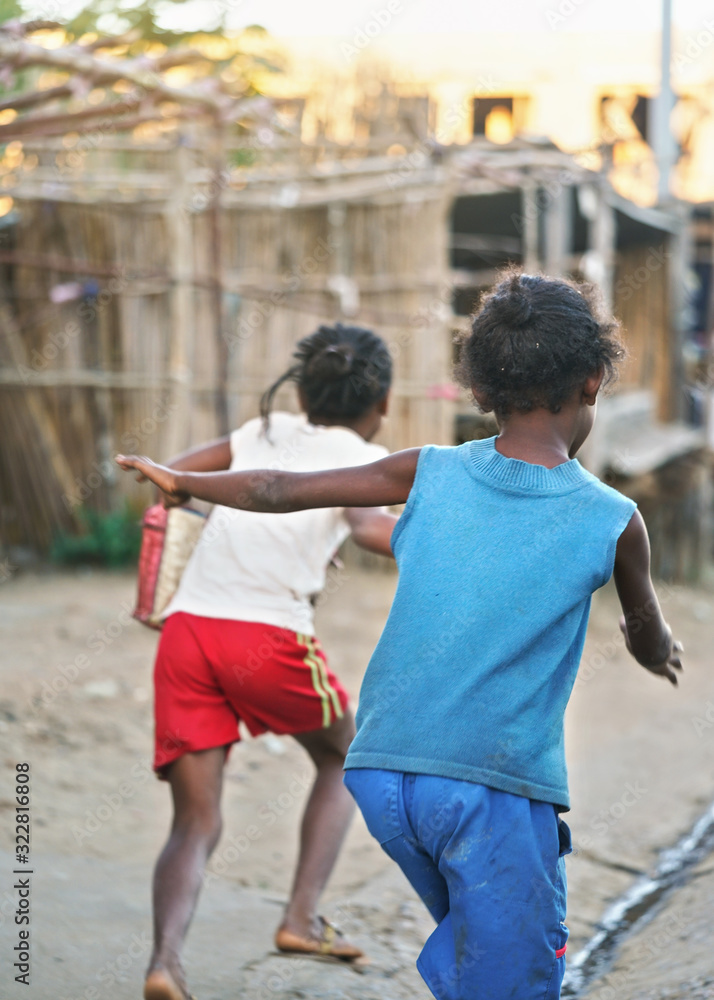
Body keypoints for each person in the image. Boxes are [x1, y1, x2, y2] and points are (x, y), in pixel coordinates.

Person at [118, 271, 683, 1000]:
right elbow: (641, 628)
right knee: (516, 971)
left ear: (480, 391)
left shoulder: (427, 471)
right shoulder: (613, 518)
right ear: (596, 380)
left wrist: (181, 481)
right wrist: (658, 647)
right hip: (494, 785)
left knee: (484, 939)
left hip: (384, 775)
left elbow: (278, 490)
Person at [131, 324, 398, 1000]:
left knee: (195, 820)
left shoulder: (262, 431)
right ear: (383, 404)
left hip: (188, 634)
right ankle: (301, 918)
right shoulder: (360, 458)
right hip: (266, 640)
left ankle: (165, 964)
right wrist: (446, 540)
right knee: (346, 755)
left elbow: (178, 479)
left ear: (302, 388)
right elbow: (371, 530)